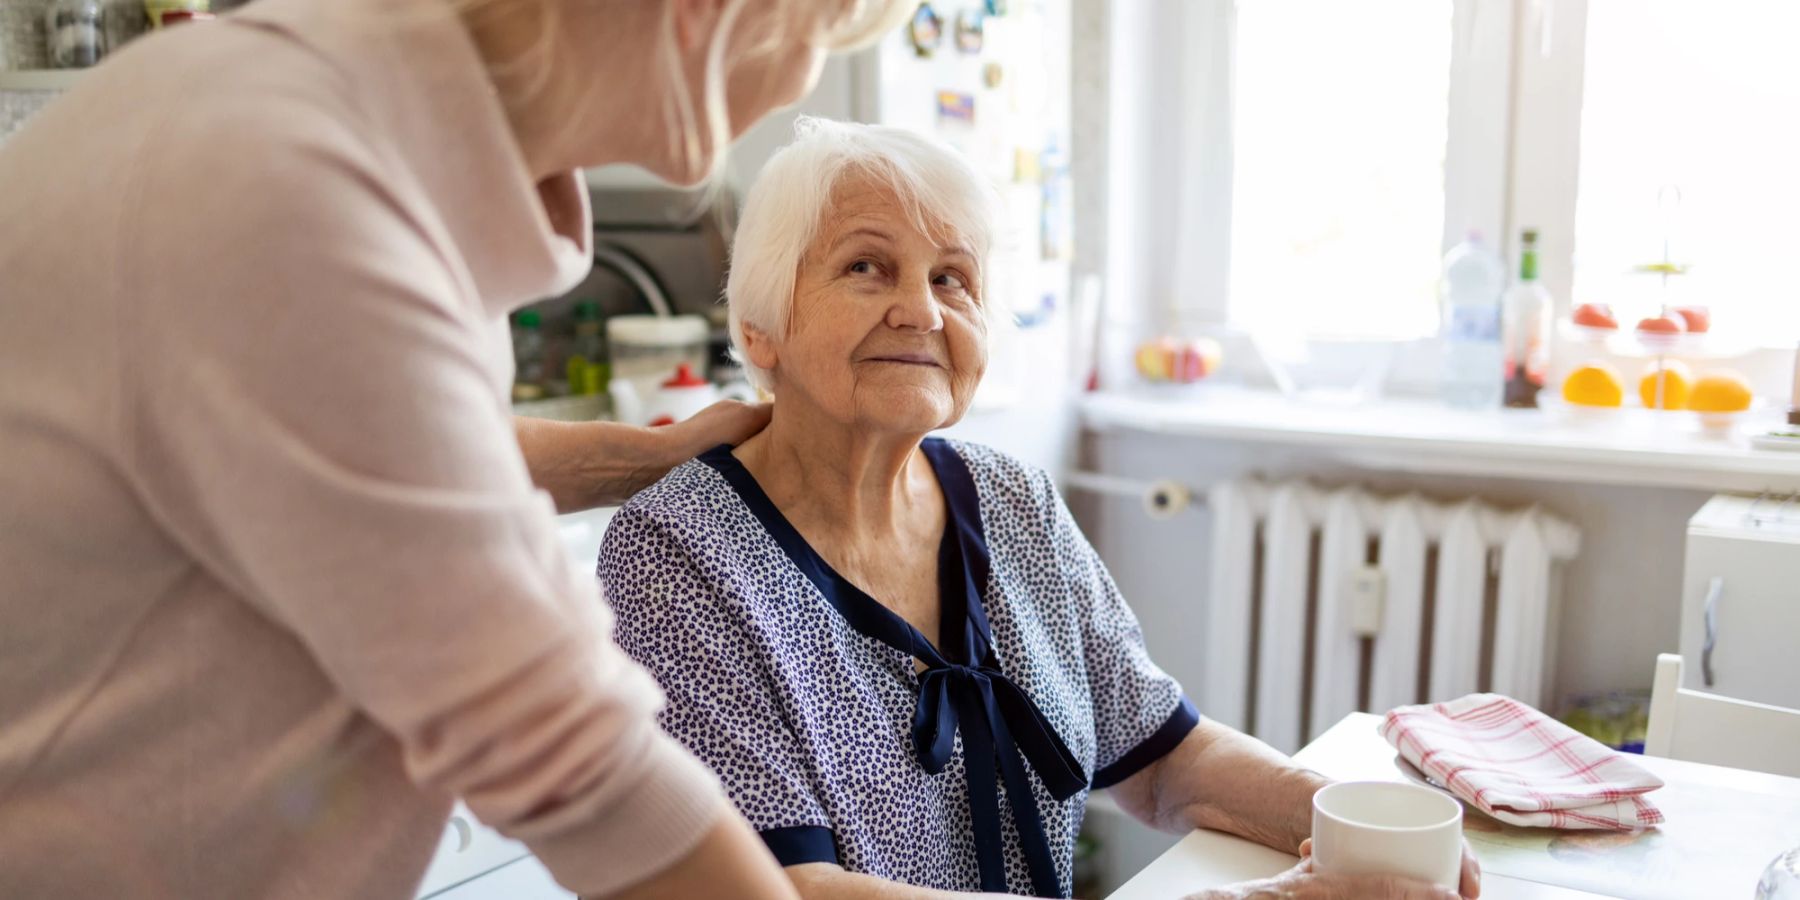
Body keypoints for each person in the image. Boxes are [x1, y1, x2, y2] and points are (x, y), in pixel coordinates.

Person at [0, 1, 913, 897]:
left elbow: (356, 449)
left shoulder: (326, 130)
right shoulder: (289, 190)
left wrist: (645, 456)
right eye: (817, 35)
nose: (801, 76)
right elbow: (573, 757)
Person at [601, 119, 1482, 899]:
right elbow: (788, 888)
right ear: (761, 327)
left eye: (954, 280)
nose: (921, 310)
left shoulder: (1011, 499)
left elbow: (1166, 759)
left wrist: (1350, 819)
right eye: (866, 268)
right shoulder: (678, 556)